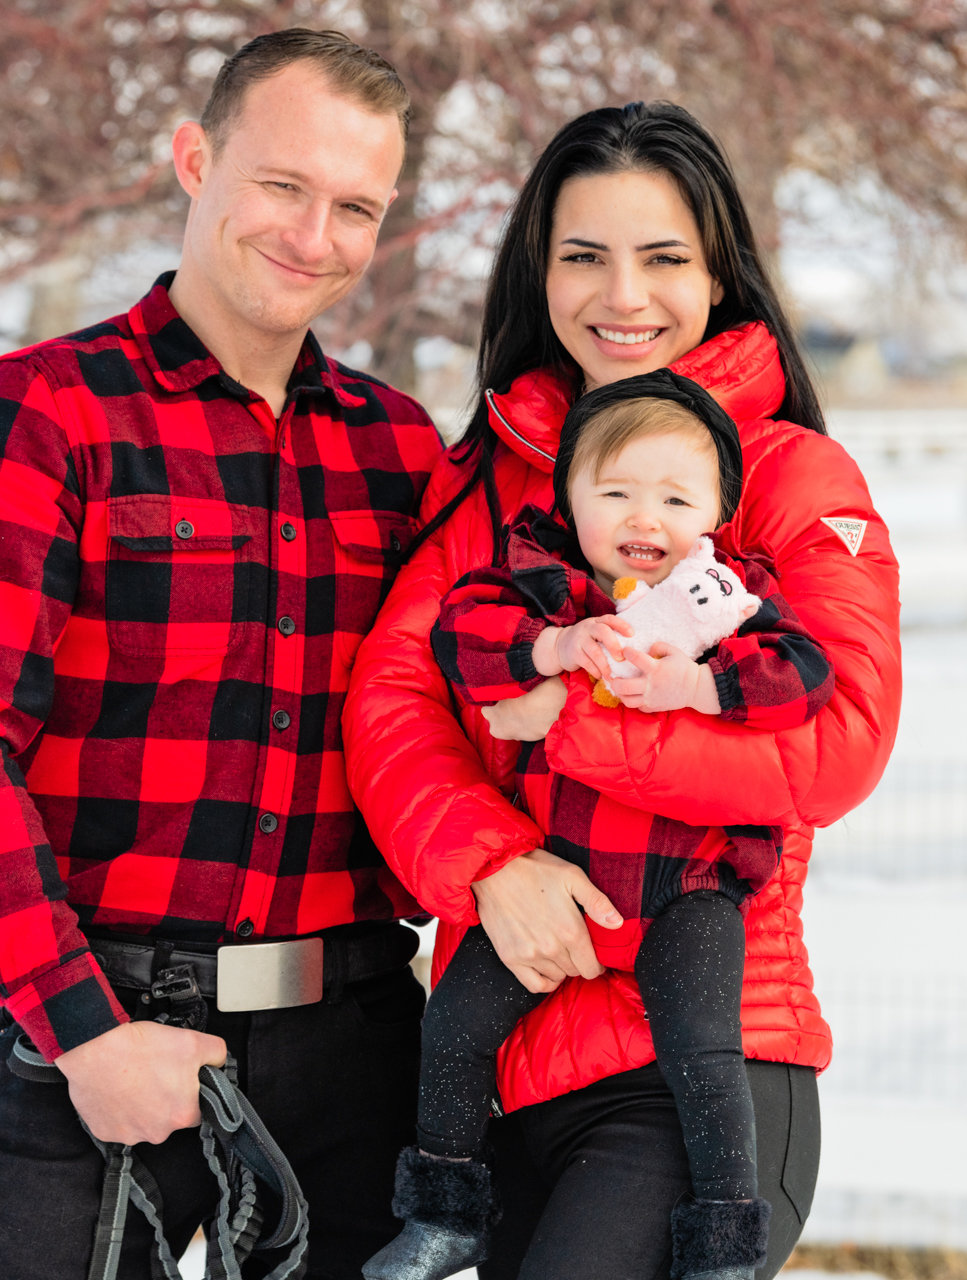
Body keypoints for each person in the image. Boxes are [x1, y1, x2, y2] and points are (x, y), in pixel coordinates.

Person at [0, 28, 445, 1280]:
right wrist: (87, 1033)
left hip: (355, 1041)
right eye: (284, 185)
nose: (315, 235)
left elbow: (452, 725)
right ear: (195, 159)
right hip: (103, 1024)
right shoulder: (44, 409)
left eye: (355, 206)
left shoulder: (403, 453)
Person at [344, 101, 901, 1280]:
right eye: (583, 256)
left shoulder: (794, 476)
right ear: (537, 275)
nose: (623, 295)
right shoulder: (494, 479)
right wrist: (491, 861)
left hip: (702, 1061)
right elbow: (394, 700)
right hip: (510, 1062)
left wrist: (580, 719)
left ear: (720, 274)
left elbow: (839, 741)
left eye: (664, 258)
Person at [365, 375, 834, 1280]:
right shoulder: (543, 585)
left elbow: (803, 677)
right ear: (569, 495)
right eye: (614, 491)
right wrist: (556, 650)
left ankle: (726, 1242)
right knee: (456, 1025)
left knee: (703, 1050)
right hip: (562, 880)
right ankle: (445, 1211)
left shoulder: (727, 601)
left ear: (716, 512)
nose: (643, 517)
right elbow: (459, 635)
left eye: (674, 498)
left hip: (687, 886)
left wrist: (697, 687)